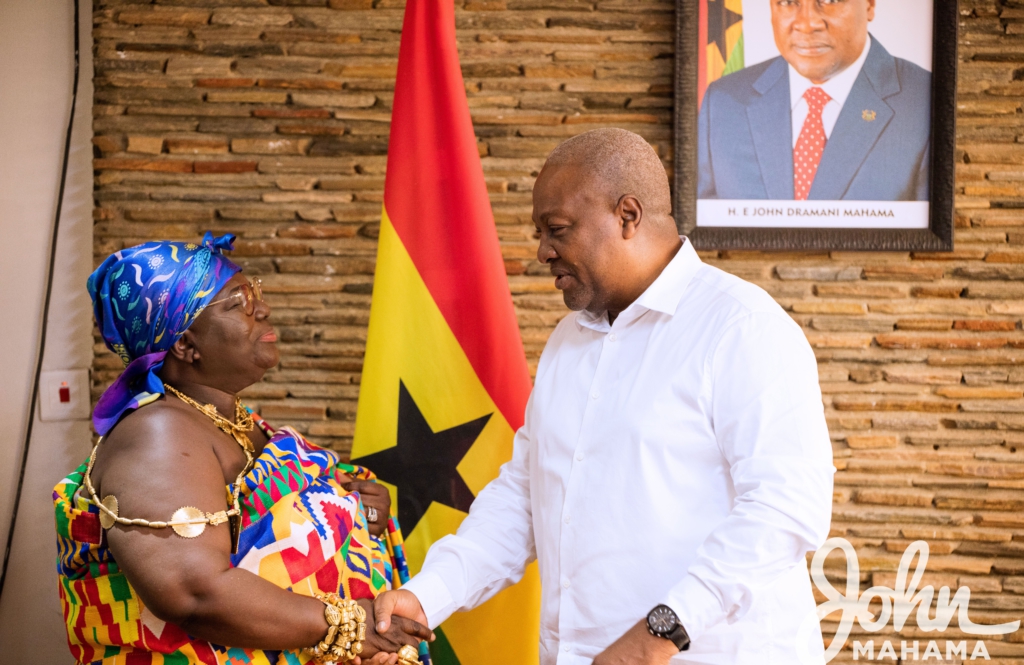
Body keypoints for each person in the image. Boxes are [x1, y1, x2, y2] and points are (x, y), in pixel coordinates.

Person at [371, 128, 835, 664]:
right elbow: (523, 497)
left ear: (628, 216)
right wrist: (427, 598)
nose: (543, 251)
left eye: (557, 229)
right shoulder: (568, 342)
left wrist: (656, 636)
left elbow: (784, 510)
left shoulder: (742, 327)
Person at [54, 233, 432, 665]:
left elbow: (295, 522)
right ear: (184, 344)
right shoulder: (156, 436)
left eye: (254, 293)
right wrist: (350, 627)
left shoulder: (237, 422)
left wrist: (359, 512)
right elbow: (193, 592)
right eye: (238, 302)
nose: (262, 308)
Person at [698, 0, 931, 202]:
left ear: (869, 4)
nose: (808, 24)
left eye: (830, 0)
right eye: (788, 2)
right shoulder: (724, 101)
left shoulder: (924, 102)